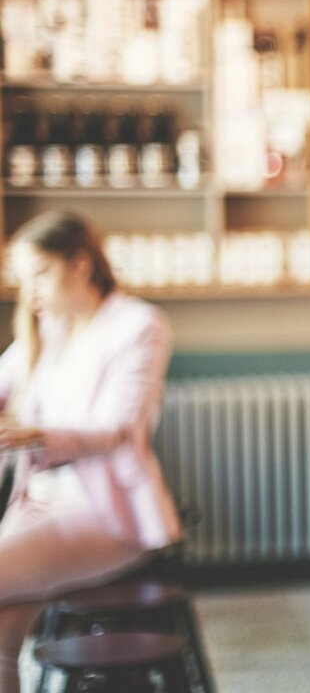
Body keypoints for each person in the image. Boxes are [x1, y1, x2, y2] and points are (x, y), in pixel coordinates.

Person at [0, 210, 179, 693]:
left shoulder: (139, 324)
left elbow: (117, 428)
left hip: (104, 514)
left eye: (40, 273)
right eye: (22, 278)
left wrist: (31, 435)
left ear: (80, 264)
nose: (30, 290)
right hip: (37, 506)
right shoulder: (47, 329)